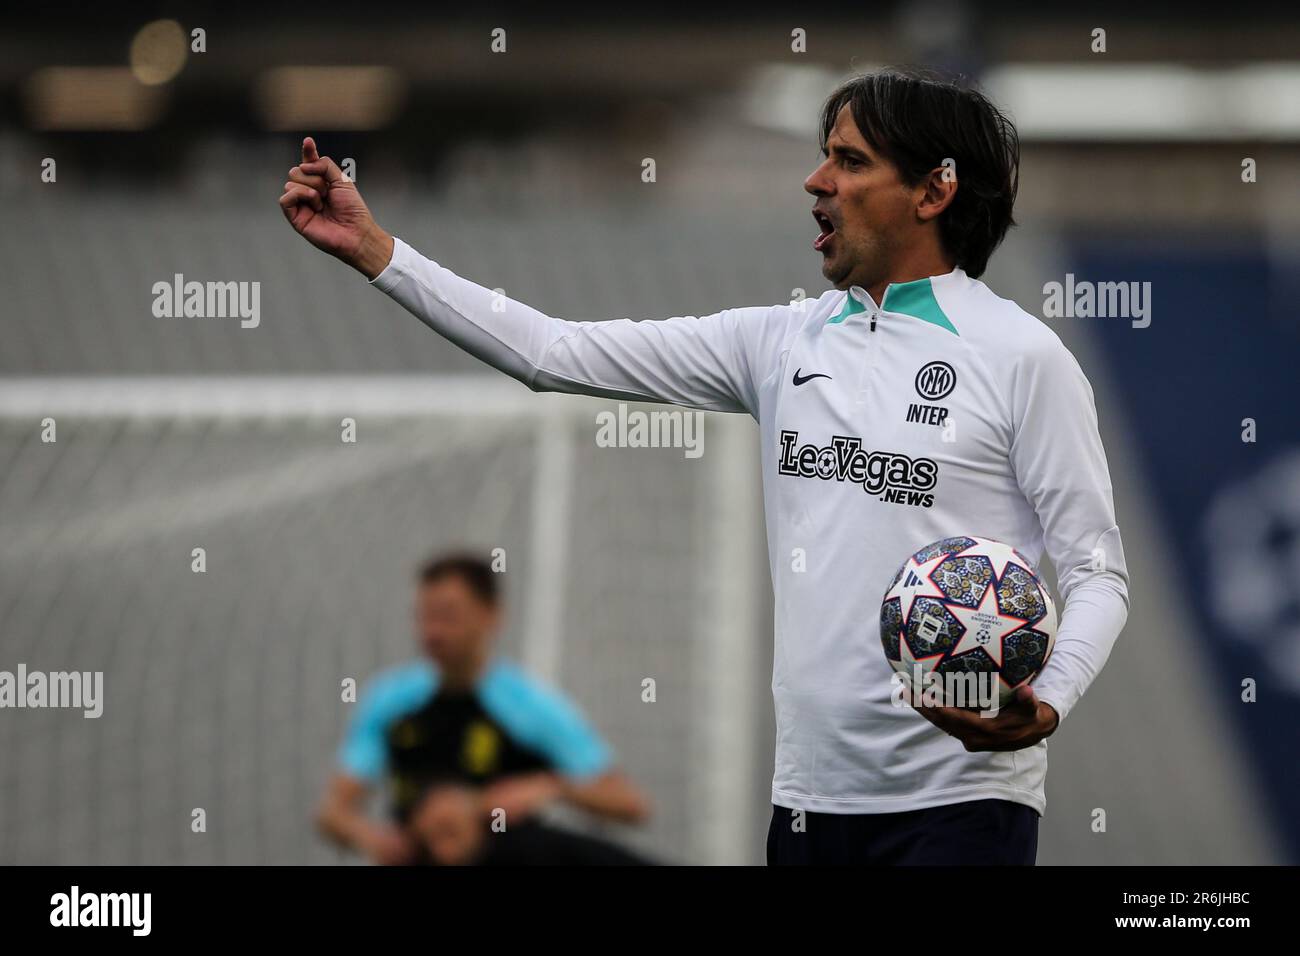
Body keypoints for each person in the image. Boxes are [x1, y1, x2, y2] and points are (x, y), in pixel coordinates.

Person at [284, 69, 1129, 865]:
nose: (815, 180)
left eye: (849, 160)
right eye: (824, 156)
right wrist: (377, 251)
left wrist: (1046, 700)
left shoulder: (1024, 359)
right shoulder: (778, 343)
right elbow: (551, 350)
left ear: (933, 191)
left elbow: (1098, 572)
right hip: (808, 805)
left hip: (964, 803)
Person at [315, 553, 651, 865]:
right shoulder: (389, 699)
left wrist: (548, 788)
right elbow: (333, 814)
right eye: (424, 616)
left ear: (491, 616)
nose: (432, 632)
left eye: (447, 616)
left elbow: (629, 804)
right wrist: (373, 839)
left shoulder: (529, 706)